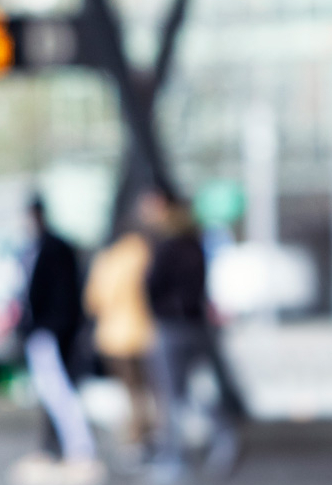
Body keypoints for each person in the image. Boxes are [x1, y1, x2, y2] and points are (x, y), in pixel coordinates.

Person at [142, 191, 238, 483]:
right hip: (194, 324)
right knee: (196, 391)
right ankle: (222, 437)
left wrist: (162, 310)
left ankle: (175, 460)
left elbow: (151, 287)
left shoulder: (167, 246)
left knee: (173, 397)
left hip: (173, 328)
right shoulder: (195, 244)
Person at [11, 198, 105, 485]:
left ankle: (79, 450)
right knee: (53, 394)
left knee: (60, 393)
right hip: (43, 330)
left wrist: (58, 330)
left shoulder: (54, 247)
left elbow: (65, 295)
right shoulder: (37, 247)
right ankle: (57, 449)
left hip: (51, 332)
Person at [84, 216, 159, 459]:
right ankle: (150, 436)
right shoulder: (145, 253)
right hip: (146, 333)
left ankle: (138, 440)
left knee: (130, 393)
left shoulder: (107, 259)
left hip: (114, 337)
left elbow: (93, 302)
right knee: (149, 391)